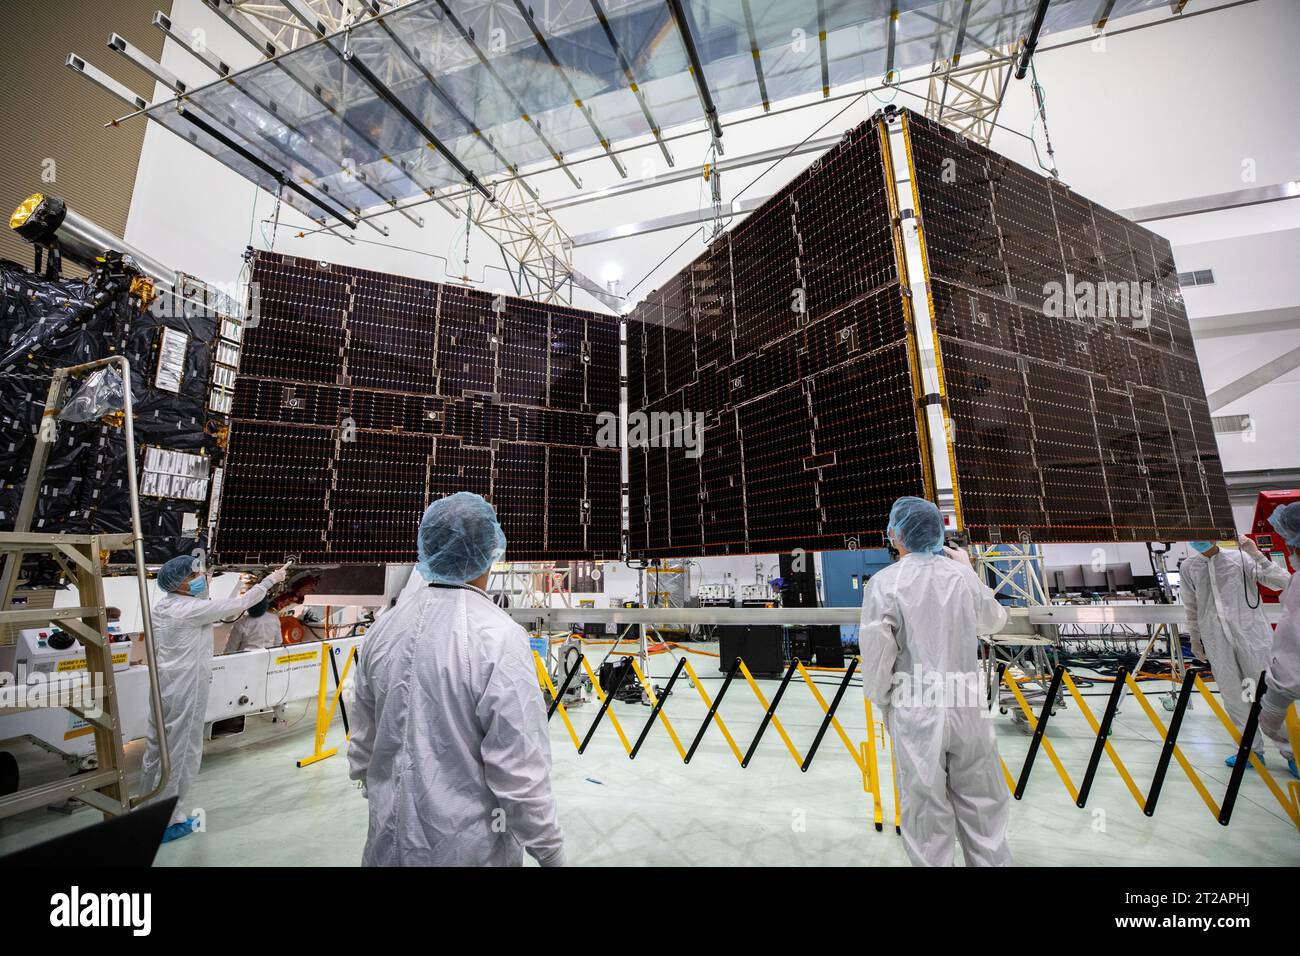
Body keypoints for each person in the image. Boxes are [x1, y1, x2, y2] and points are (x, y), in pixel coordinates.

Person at [348, 492, 565, 867]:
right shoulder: (498, 636)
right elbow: (519, 771)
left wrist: (389, 798)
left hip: (387, 844)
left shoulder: (382, 629)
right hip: (465, 849)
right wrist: (552, 853)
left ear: (427, 547)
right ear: (490, 550)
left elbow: (363, 741)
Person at [859, 496, 1012, 867]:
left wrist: (883, 702)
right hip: (968, 705)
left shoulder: (884, 584)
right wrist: (971, 571)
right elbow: (995, 623)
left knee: (925, 808)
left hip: (915, 708)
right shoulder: (961, 576)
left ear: (897, 534)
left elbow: (879, 657)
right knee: (983, 804)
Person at [142, 555, 289, 843]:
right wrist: (271, 579)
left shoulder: (163, 607)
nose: (201, 578)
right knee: (182, 752)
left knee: (156, 747)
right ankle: (167, 820)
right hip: (187, 686)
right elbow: (236, 605)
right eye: (193, 576)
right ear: (180, 583)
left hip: (163, 685)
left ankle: (148, 805)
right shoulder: (190, 609)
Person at [1181, 535, 1291, 766]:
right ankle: (1250, 751)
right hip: (1216, 639)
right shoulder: (1189, 566)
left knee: (1268, 694)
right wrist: (1195, 638)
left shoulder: (1241, 558)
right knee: (1234, 696)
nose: (1197, 539)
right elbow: (1191, 605)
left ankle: (1293, 752)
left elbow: (1283, 582)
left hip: (1253, 638)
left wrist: (1256, 554)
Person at [1258, 504, 1300, 780]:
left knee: (1269, 718)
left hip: (1287, 677)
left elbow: (1292, 642)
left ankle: (1292, 753)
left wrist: (1277, 693)